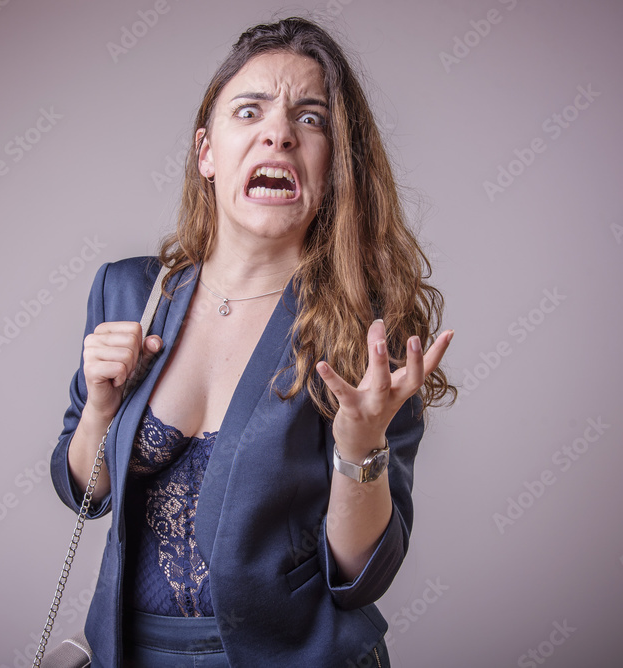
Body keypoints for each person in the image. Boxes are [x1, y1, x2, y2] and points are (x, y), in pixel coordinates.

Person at [49, 15, 456, 667]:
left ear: (334, 165)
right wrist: (99, 408)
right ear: (207, 152)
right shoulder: (128, 293)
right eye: (250, 111)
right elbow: (85, 492)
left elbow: (359, 575)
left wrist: (360, 447)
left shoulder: (369, 330)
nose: (280, 133)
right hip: (132, 653)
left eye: (311, 119)